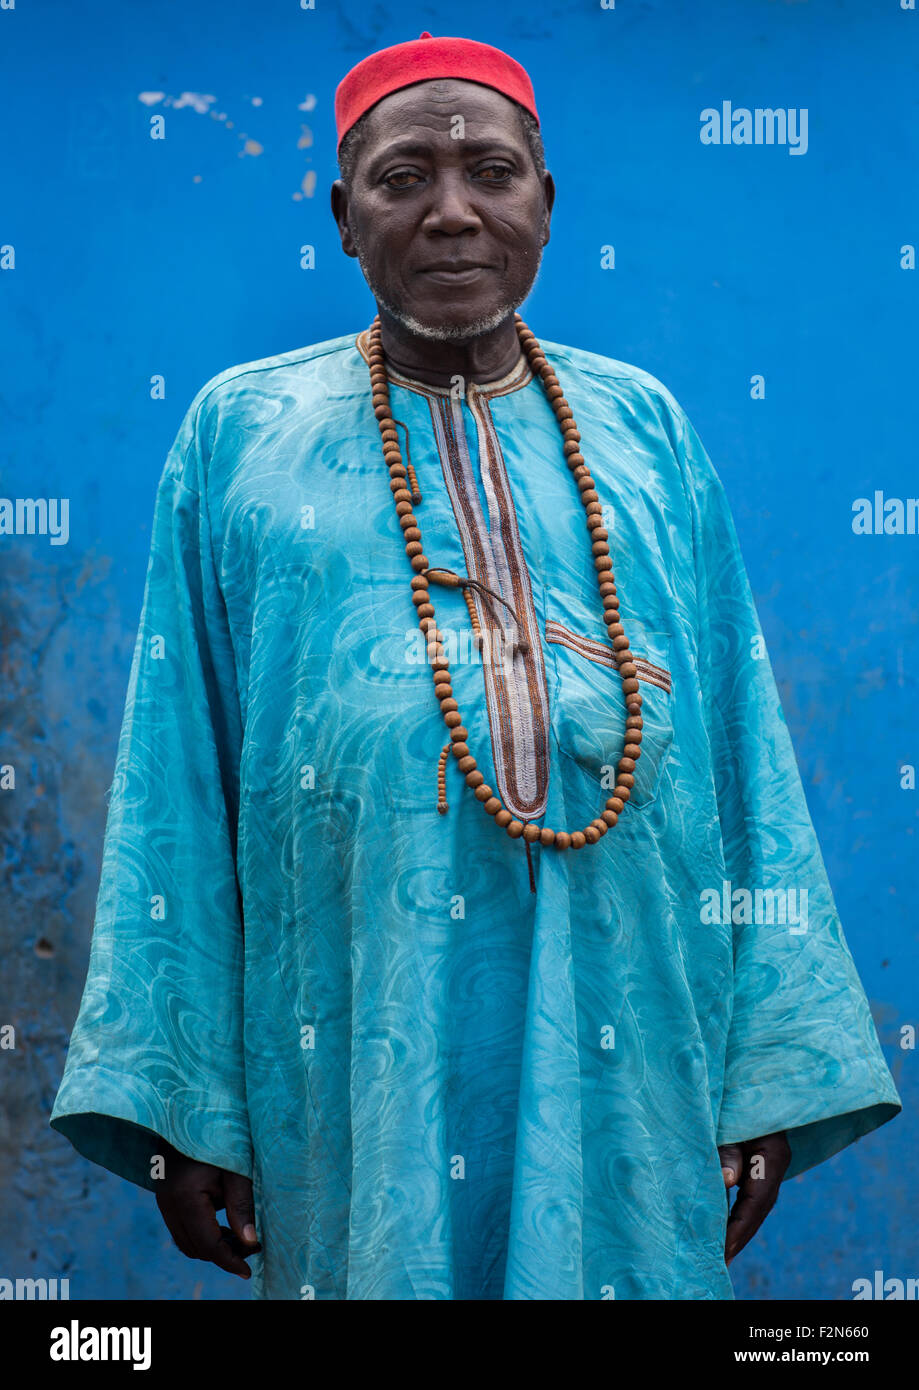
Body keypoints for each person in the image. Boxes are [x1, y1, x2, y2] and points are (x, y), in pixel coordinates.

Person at [51, 32, 900, 1301]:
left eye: (491, 172)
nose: (452, 212)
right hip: (350, 1037)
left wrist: (767, 1072)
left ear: (544, 205)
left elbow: (742, 761)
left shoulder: (647, 427)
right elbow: (178, 777)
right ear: (346, 218)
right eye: (404, 178)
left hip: (638, 1039)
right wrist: (185, 1104)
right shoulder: (239, 432)